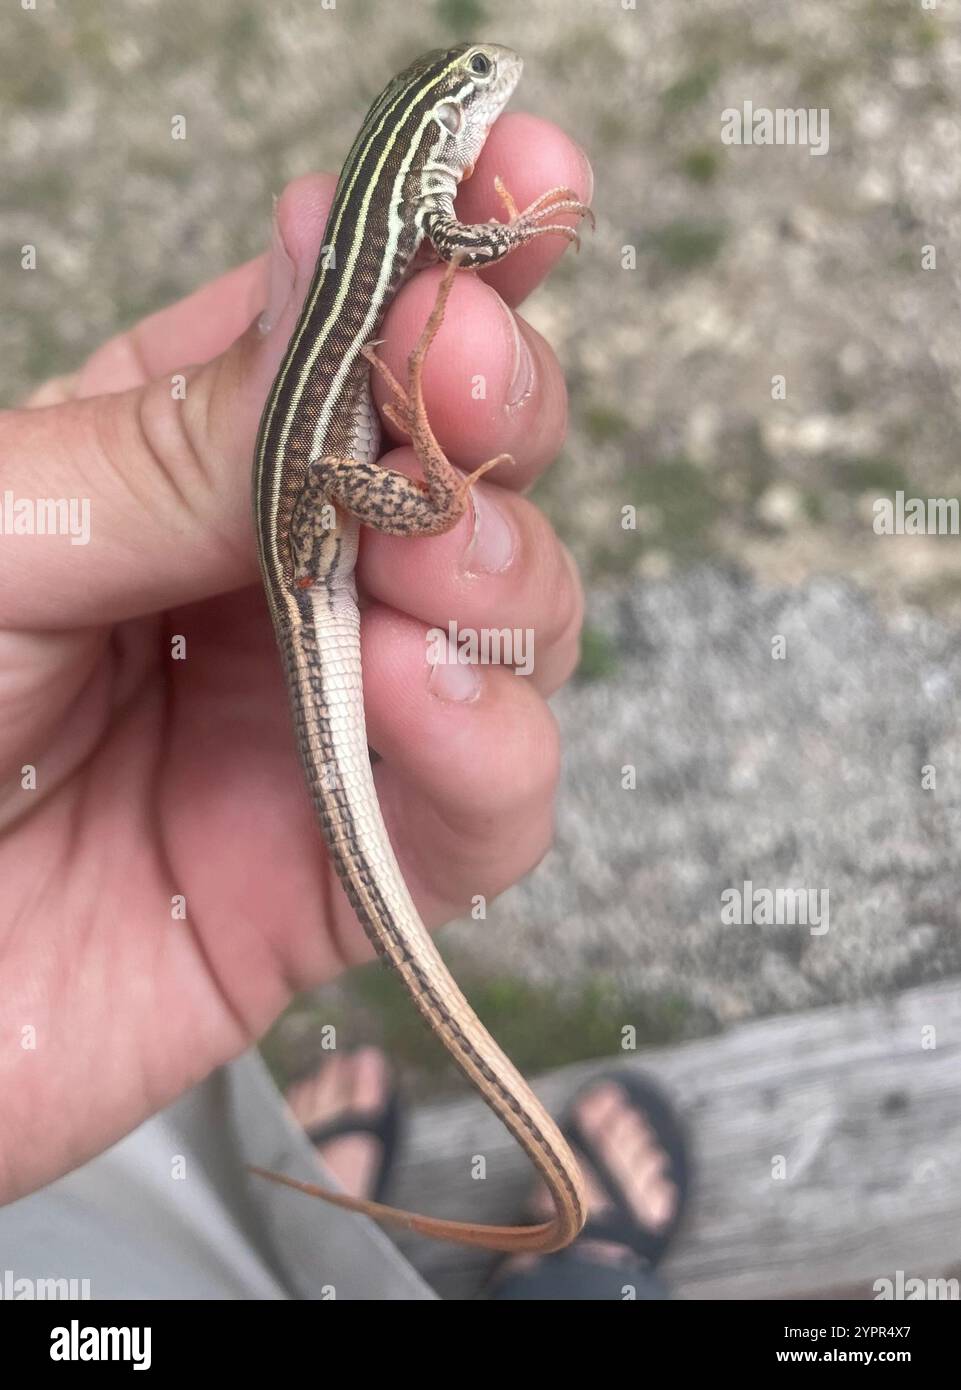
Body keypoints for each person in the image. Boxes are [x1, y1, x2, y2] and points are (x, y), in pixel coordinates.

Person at [0, 115, 688, 1298]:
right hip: (303, 508)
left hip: (304, 513)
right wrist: (500, 247)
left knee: (414, 537)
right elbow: (455, 242)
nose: (488, 95)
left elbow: (444, 243)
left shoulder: (395, 221)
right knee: (418, 523)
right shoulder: (408, 220)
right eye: (470, 90)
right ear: (436, 130)